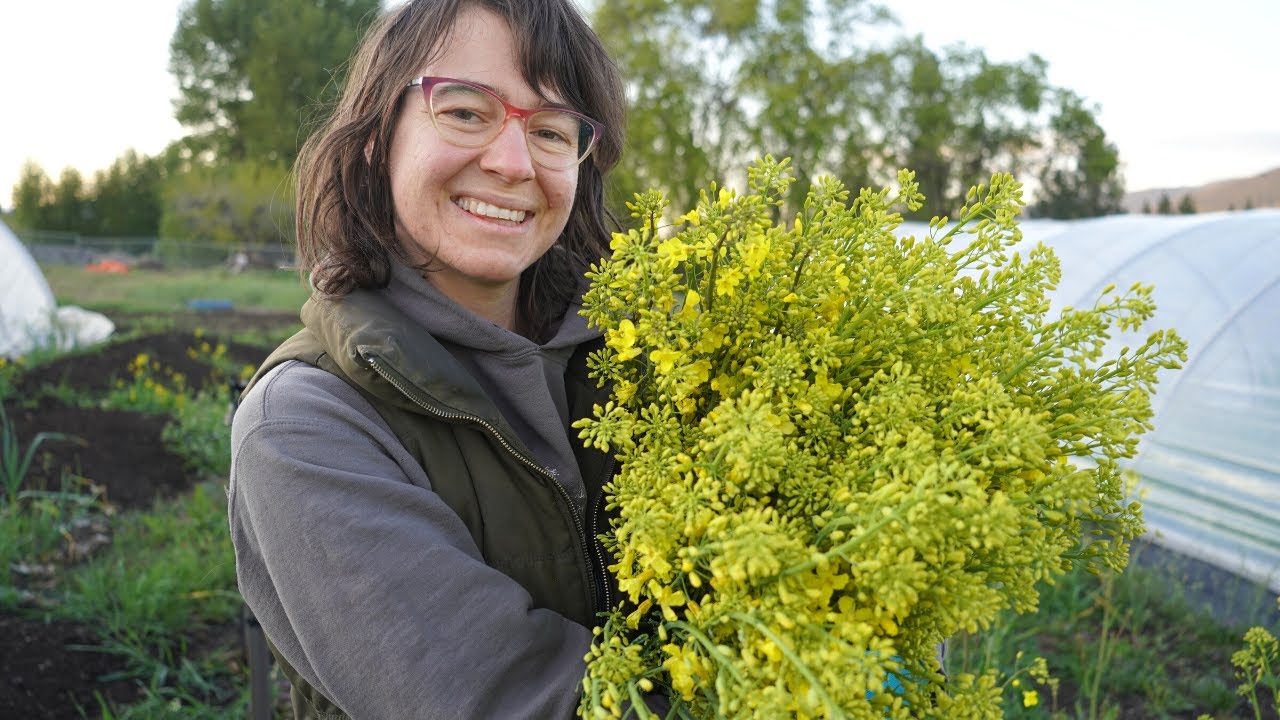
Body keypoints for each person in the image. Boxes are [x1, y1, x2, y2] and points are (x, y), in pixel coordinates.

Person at [227, 0, 627, 717]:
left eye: (550, 131)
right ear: (379, 135)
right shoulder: (301, 427)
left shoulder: (640, 354)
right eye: (467, 112)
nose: (512, 163)